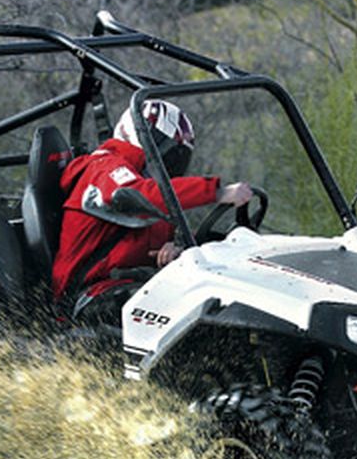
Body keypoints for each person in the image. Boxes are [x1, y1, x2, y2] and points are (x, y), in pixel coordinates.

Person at [51, 99, 252, 320]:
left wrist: (177, 248)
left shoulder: (148, 194)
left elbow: (146, 239)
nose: (170, 164)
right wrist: (216, 192)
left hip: (126, 286)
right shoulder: (104, 168)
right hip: (88, 297)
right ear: (143, 140)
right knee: (186, 311)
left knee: (219, 299)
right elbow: (141, 195)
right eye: (168, 152)